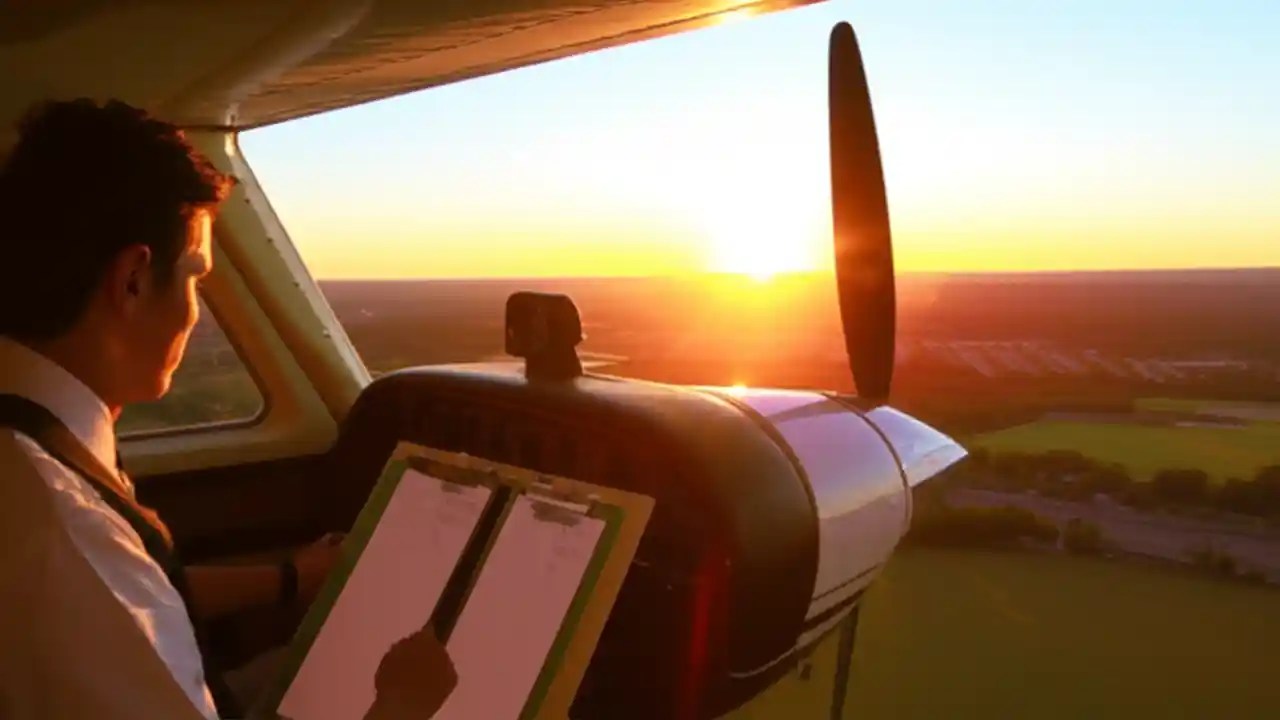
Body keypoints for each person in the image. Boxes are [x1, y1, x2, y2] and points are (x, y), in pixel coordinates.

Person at [0, 99, 348, 719]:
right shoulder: (64, 521)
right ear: (133, 279)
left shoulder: (37, 453)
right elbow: (104, 579)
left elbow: (134, 596)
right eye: (193, 276)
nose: (194, 312)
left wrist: (293, 576)